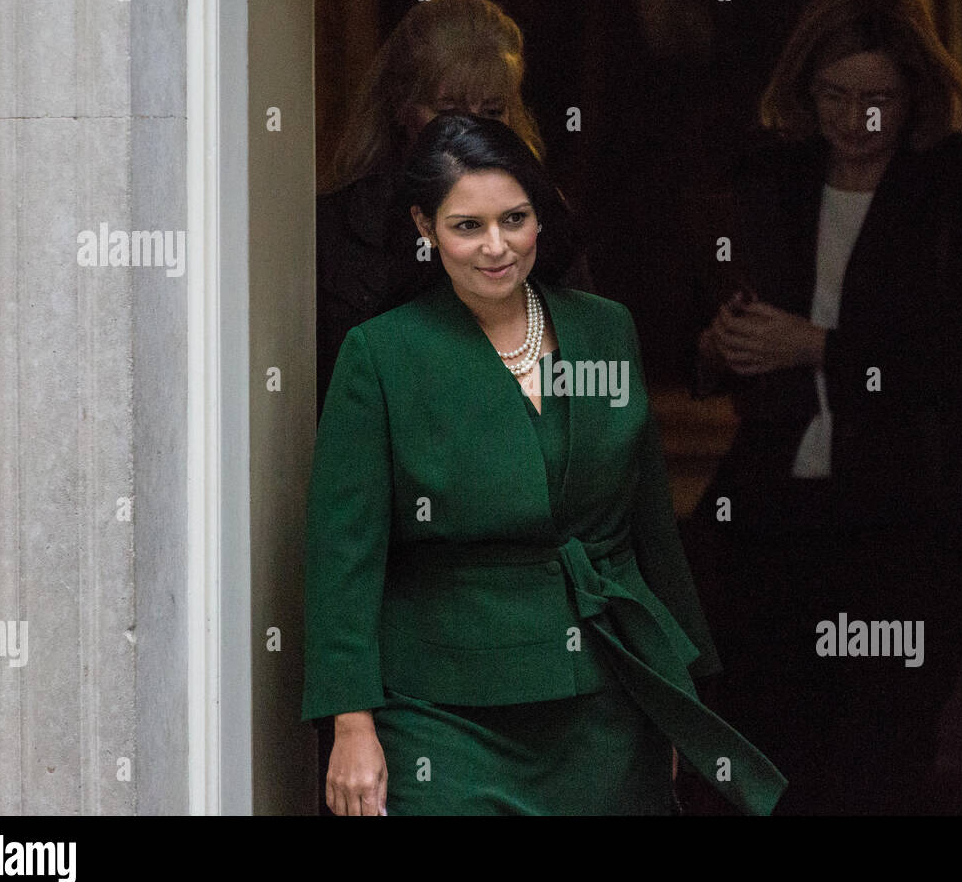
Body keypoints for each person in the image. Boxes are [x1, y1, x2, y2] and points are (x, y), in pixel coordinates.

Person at [302, 113, 787, 816]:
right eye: (467, 226)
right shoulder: (381, 355)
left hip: (605, 695)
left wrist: (678, 689)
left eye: (515, 219)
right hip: (441, 711)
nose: (496, 247)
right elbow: (343, 552)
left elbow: (650, 523)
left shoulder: (605, 329)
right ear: (423, 226)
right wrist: (351, 724)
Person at [685, 0, 962, 814]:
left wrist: (819, 348)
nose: (855, 117)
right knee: (759, 759)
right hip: (773, 521)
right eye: (834, 93)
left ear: (917, 91)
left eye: (877, 95)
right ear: (805, 88)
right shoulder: (771, 177)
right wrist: (720, 345)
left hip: (905, 522)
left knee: (878, 766)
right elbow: (698, 339)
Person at [317, 0, 590, 424]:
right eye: (449, 111)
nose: (471, 132)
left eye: (492, 111)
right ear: (402, 109)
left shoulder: (543, 218)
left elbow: (579, 380)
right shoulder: (337, 228)